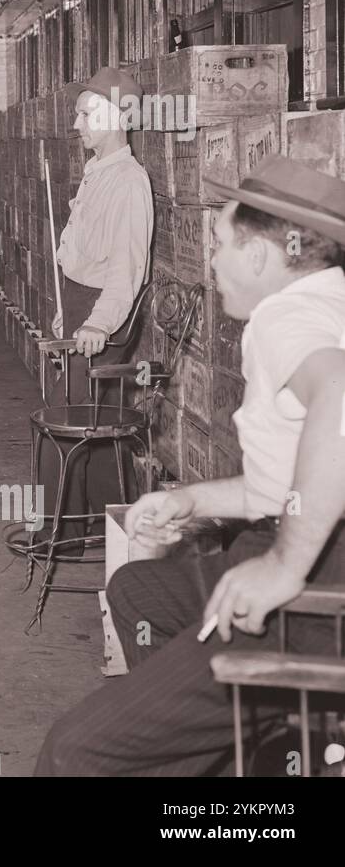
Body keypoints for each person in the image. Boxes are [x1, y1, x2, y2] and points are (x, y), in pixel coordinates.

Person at [35, 157, 345, 776]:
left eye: (221, 245)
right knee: (138, 591)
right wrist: (192, 502)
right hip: (308, 550)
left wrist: (283, 568)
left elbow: (341, 406)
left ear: (261, 255)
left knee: (74, 752)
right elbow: (291, 482)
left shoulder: (289, 316)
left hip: (319, 586)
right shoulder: (328, 300)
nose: (210, 262)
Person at [40, 66, 155, 547]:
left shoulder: (129, 181)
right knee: (86, 423)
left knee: (76, 425)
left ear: (118, 116)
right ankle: (88, 530)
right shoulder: (97, 172)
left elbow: (125, 272)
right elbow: (82, 253)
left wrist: (96, 324)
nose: (77, 124)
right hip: (82, 304)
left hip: (104, 316)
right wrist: (68, 310)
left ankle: (60, 530)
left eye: (87, 113)